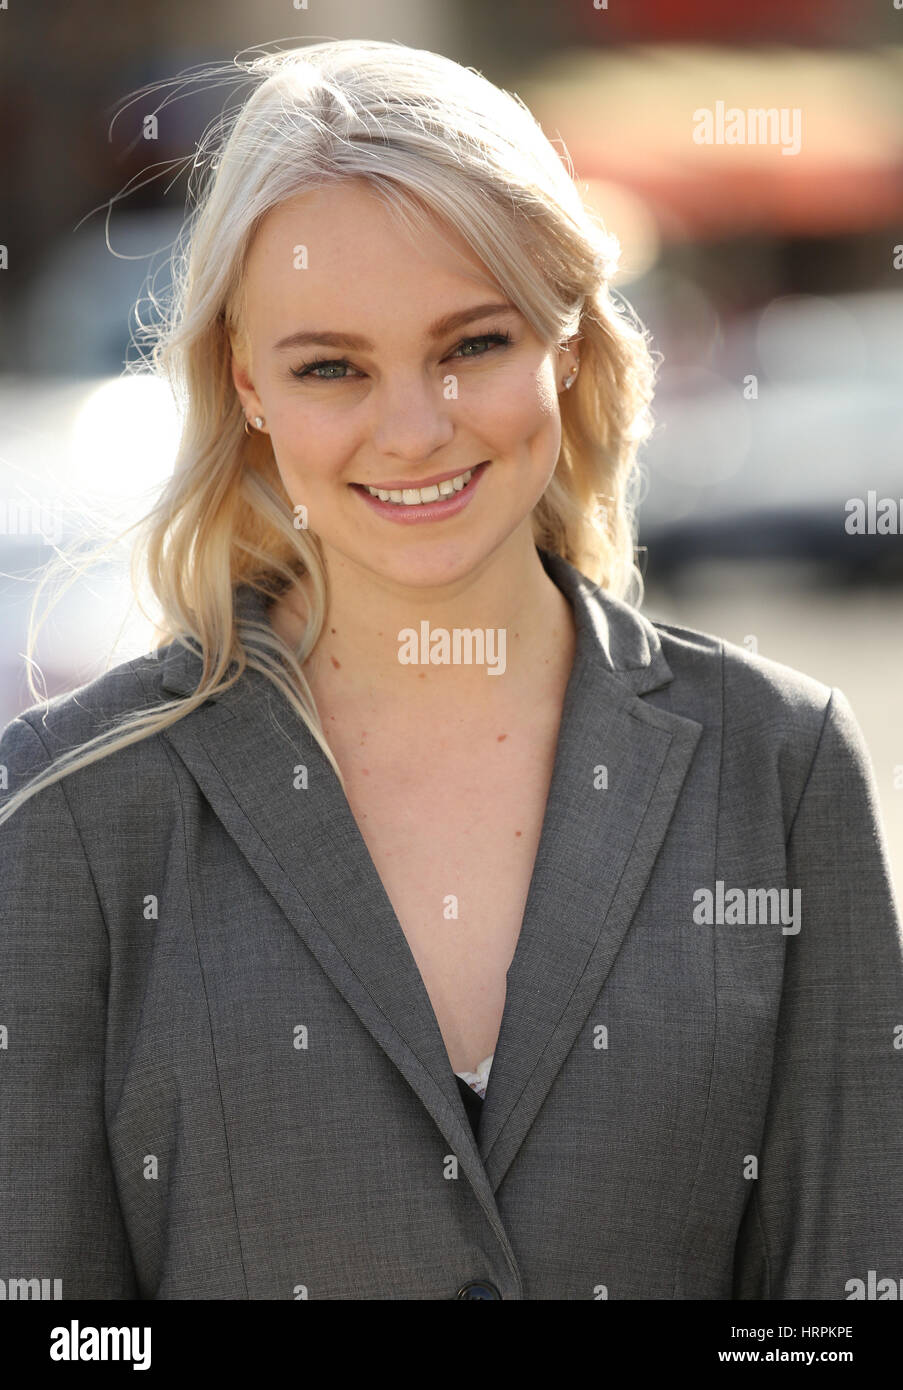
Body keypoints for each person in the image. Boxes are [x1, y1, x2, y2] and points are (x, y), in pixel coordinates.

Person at [1, 39, 901, 1302]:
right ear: (246, 382)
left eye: (472, 343)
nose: (414, 427)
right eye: (332, 367)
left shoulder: (783, 767)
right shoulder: (68, 810)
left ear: (569, 339)